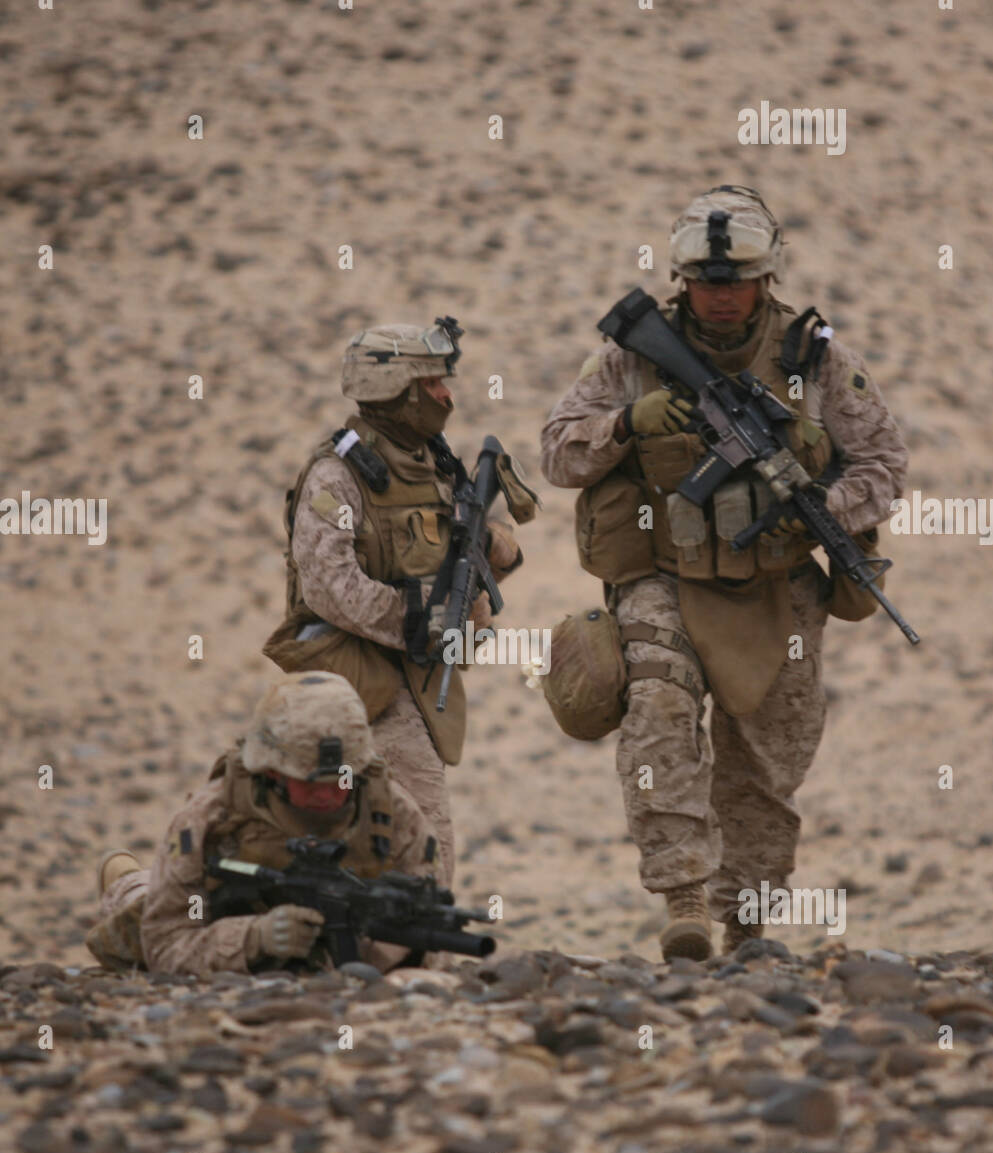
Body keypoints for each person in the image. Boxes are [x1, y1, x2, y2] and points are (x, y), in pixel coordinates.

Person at [540, 185, 908, 961]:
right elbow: (558, 451)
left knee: (767, 762)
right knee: (658, 718)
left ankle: (745, 925)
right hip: (663, 576)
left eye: (734, 279)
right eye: (705, 281)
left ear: (767, 276)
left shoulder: (816, 359)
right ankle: (683, 901)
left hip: (776, 588)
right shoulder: (630, 355)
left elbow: (882, 464)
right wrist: (623, 425)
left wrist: (818, 502)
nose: (718, 295)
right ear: (680, 281)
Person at [263, 318, 534, 888]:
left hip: (410, 677)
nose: (446, 396)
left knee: (398, 838)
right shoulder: (337, 479)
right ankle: (414, 962)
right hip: (352, 678)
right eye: (432, 383)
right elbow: (331, 588)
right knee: (421, 836)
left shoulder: (434, 466)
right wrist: (420, 619)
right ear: (398, 392)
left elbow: (491, 546)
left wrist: (488, 543)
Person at [86, 672, 438, 976]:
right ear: (272, 771)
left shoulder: (393, 813)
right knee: (137, 920)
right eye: (311, 782)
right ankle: (126, 883)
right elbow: (166, 944)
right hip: (216, 916)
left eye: (342, 780)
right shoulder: (211, 817)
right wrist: (255, 938)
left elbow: (427, 926)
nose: (329, 794)